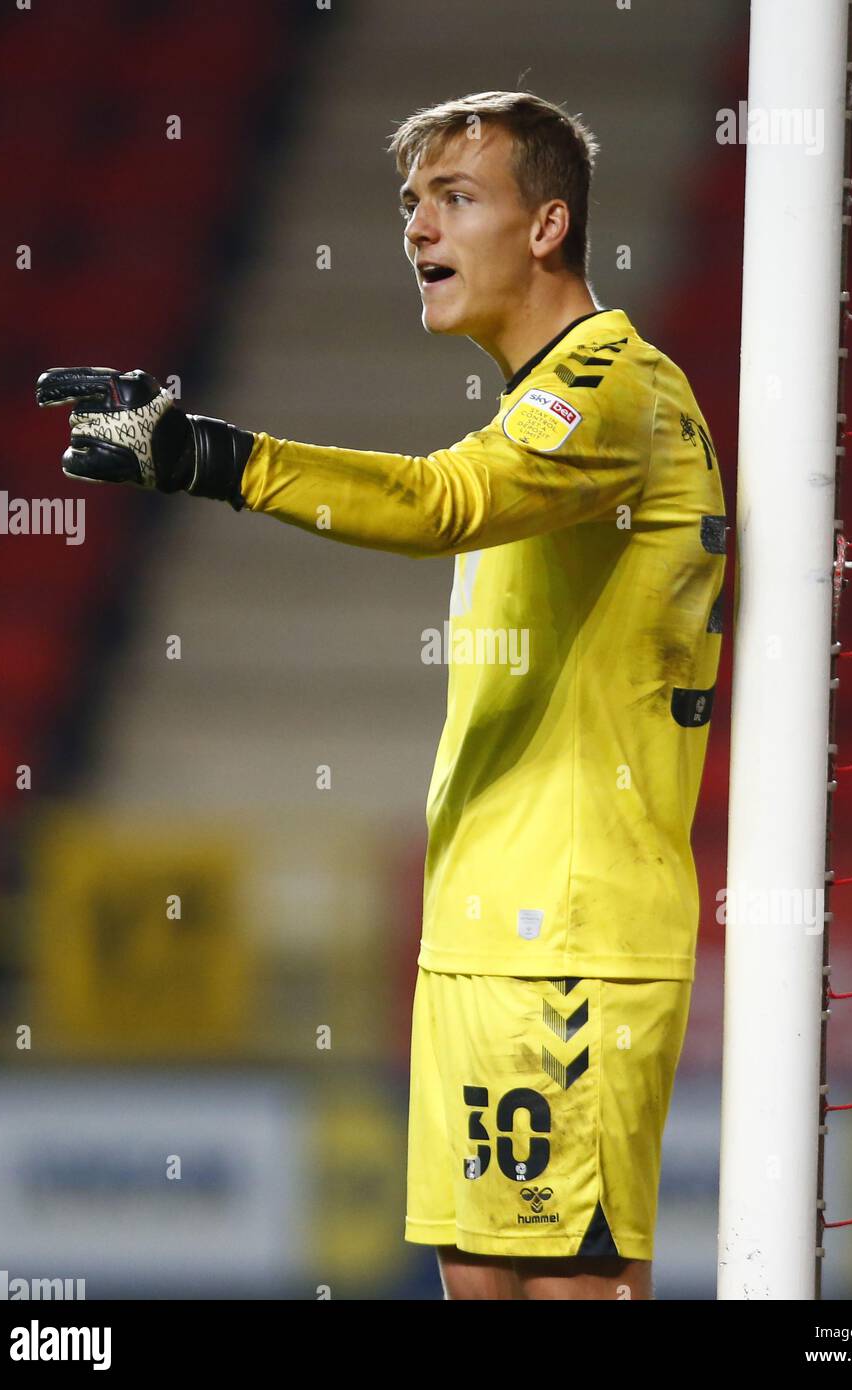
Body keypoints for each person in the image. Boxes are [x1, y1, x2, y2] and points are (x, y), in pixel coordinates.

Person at [37, 90, 726, 1300]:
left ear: (550, 223)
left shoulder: (614, 389)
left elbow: (437, 501)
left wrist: (210, 456)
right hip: (478, 933)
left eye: (456, 199)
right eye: (410, 203)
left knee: (569, 1285)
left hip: (569, 937)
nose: (417, 229)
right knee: (476, 1281)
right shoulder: (540, 408)